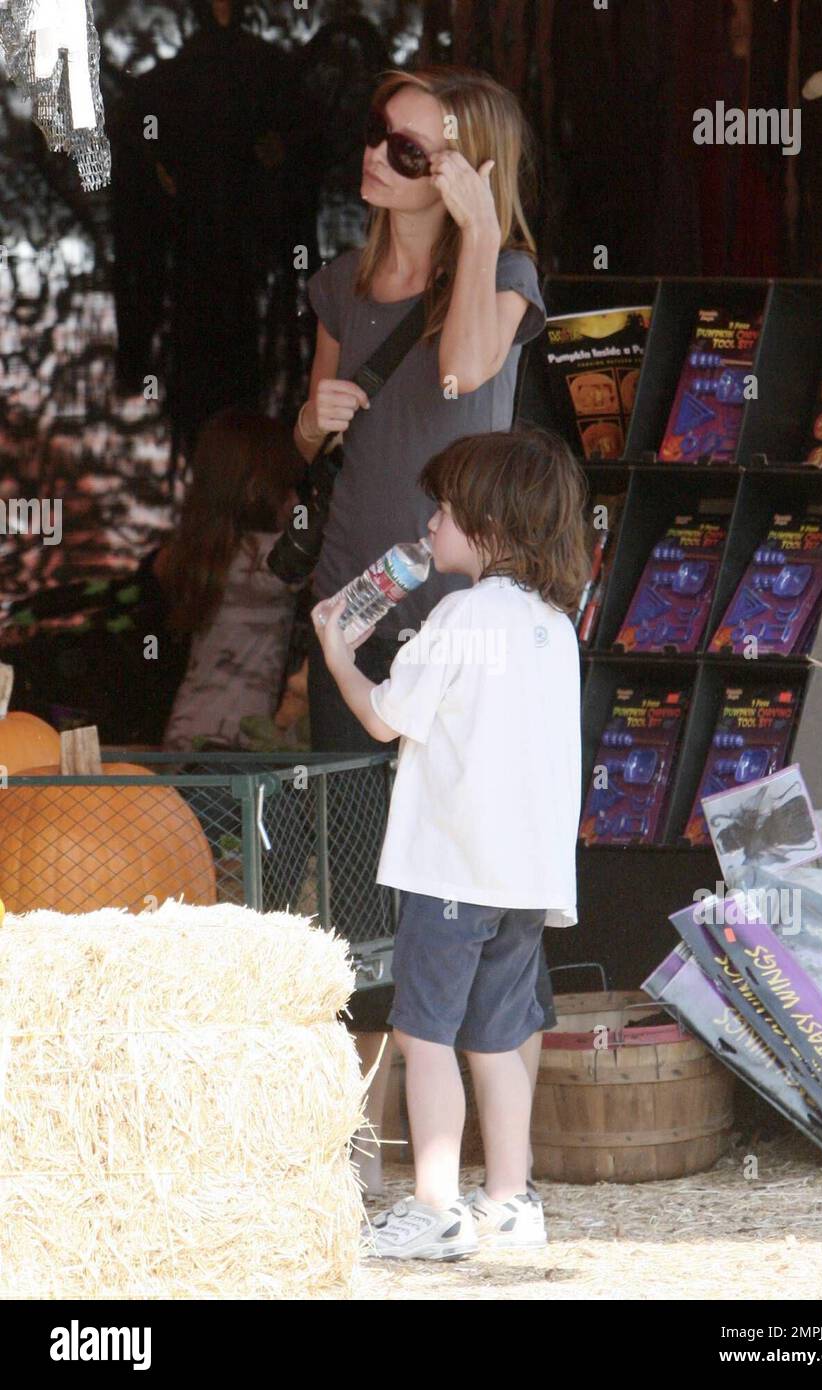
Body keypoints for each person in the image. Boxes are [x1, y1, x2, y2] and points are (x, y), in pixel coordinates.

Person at [293, 64, 557, 1190]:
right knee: (353, 883)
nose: (377, 157)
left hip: (458, 626)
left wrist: (480, 228)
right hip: (356, 605)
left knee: (471, 873)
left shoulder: (506, 274)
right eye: (377, 134)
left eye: (409, 150)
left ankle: (490, 1172)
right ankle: (365, 1150)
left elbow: (460, 371)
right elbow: (308, 445)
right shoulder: (341, 287)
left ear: (462, 169)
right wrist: (311, 421)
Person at [311, 427, 586, 1258]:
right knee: (497, 1040)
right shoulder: (554, 625)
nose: (429, 524)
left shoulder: (463, 615)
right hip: (524, 878)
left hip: (452, 869)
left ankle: (434, 1208)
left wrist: (337, 652)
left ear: (490, 526)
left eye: (445, 510)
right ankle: (510, 1198)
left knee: (425, 1036)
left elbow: (384, 717)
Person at [157, 408, 301, 750]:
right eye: (287, 488)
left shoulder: (204, 550)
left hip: (189, 731)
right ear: (255, 490)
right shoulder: (269, 561)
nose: (296, 501)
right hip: (231, 744)